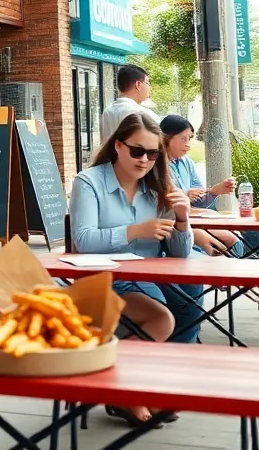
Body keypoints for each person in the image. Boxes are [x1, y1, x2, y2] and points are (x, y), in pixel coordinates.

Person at [69, 111, 200, 427]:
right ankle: (121, 389)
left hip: (147, 280)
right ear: (118, 146)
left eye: (153, 153)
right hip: (102, 281)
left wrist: (182, 218)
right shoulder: (88, 182)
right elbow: (83, 240)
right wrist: (134, 231)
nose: (144, 160)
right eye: (137, 150)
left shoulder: (158, 186)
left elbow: (180, 253)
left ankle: (153, 385)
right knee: (161, 316)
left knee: (192, 296)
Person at [160, 115, 240, 256]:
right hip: (174, 224)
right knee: (219, 246)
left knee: (235, 241)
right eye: (183, 139)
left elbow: (199, 201)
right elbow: (159, 206)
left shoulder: (187, 163)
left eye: (189, 139)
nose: (188, 144)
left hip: (191, 219)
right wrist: (184, 197)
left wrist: (215, 191)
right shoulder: (155, 166)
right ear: (166, 139)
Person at [100, 65, 154, 141]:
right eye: (148, 83)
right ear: (138, 84)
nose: (150, 87)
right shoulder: (143, 113)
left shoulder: (107, 111)